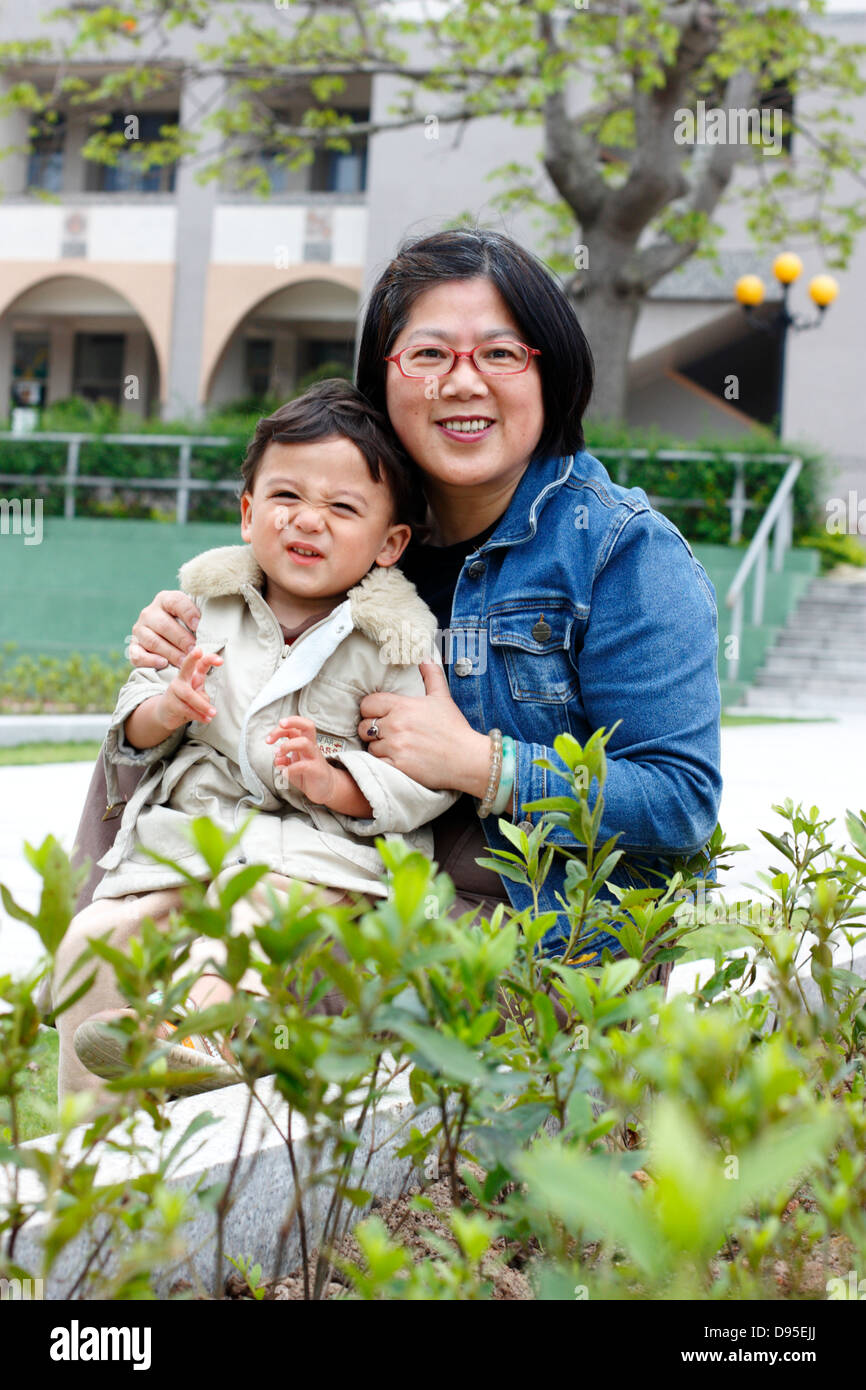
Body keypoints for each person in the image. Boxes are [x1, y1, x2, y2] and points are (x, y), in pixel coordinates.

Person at [72, 227, 722, 987]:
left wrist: (483, 765)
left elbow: (680, 804)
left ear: (553, 372)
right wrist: (184, 634)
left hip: (519, 936)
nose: (463, 382)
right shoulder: (350, 520)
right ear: (384, 376)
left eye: (501, 353)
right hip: (329, 875)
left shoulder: (621, 553)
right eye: (429, 354)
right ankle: (91, 965)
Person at [53, 379, 458, 1104]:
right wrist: (170, 707)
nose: (309, 522)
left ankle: (208, 1032)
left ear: (391, 541)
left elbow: (421, 778)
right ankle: (95, 1143)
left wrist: (332, 779)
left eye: (342, 507)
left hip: (316, 852)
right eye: (285, 498)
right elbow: (134, 716)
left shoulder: (395, 638)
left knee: (259, 908)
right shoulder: (207, 605)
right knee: (98, 938)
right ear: (247, 513)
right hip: (195, 840)